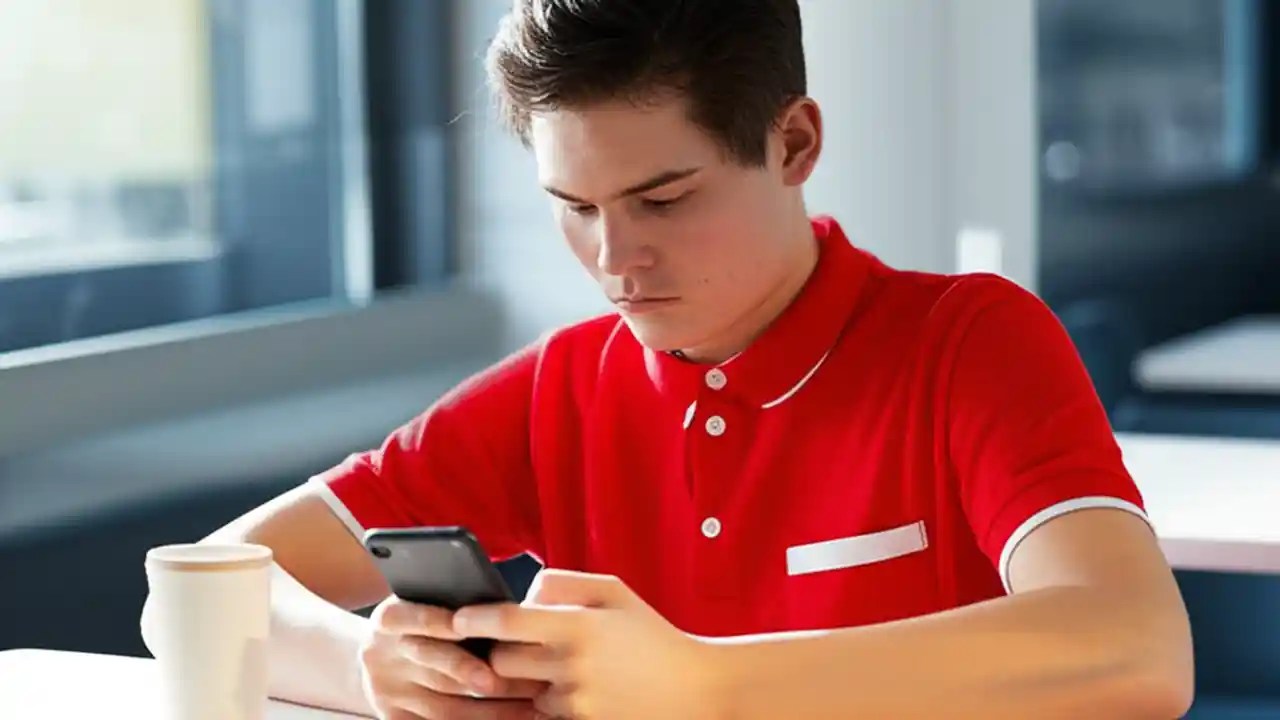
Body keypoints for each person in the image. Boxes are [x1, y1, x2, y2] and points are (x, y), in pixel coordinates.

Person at [163, 1, 1194, 717]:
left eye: (662, 200)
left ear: (791, 145)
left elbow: (1139, 651)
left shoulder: (968, 343)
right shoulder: (556, 389)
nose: (614, 259)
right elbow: (190, 597)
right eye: (574, 209)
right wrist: (375, 670)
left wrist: (707, 688)